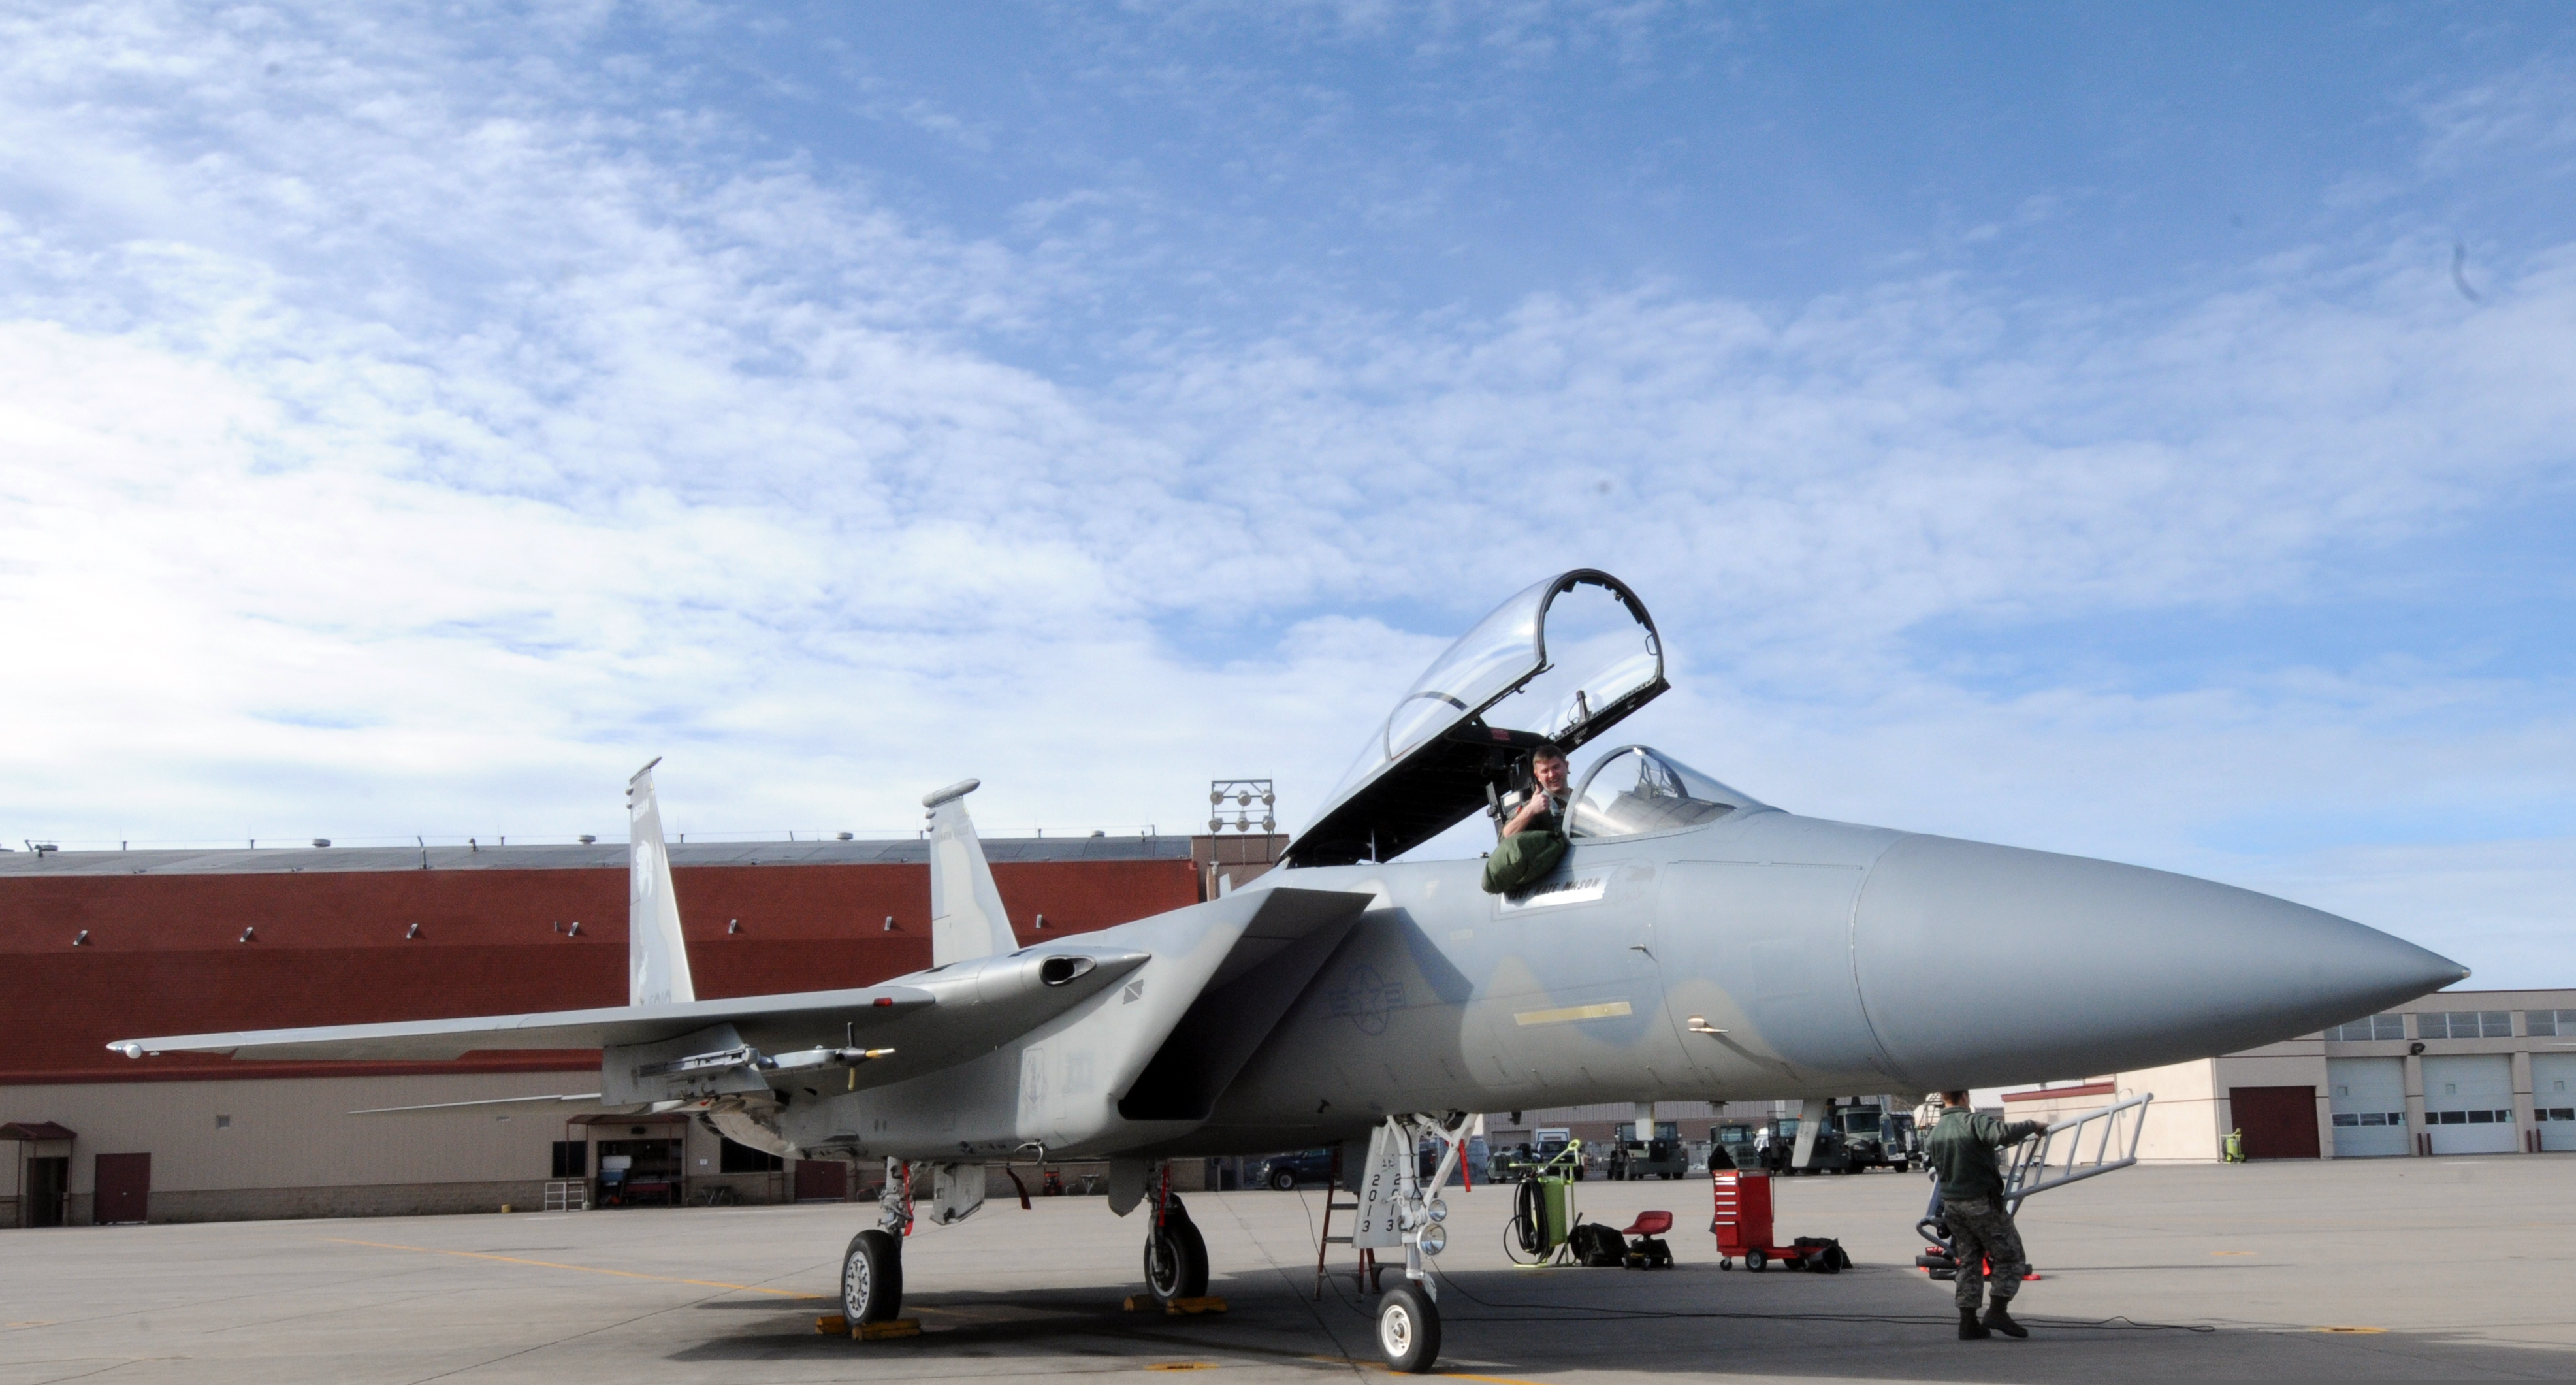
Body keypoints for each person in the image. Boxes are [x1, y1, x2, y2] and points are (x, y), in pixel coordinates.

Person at [1923, 1090, 2045, 1341]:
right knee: (2011, 1256)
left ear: (1944, 1099)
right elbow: (2001, 1133)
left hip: (1953, 1206)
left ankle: (1968, 1323)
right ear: (1965, 1098)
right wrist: (2033, 1125)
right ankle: (1998, 1311)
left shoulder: (1935, 1132)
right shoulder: (1973, 1122)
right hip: (1981, 1203)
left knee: (1969, 1260)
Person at [1481, 744, 1572, 894]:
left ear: (1566, 766)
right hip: (1559, 880)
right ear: (1538, 776)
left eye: (1556, 767)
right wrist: (1531, 810)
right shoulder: (1536, 805)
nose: (1551, 775)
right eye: (1545, 771)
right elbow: (1506, 837)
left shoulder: (1584, 801)